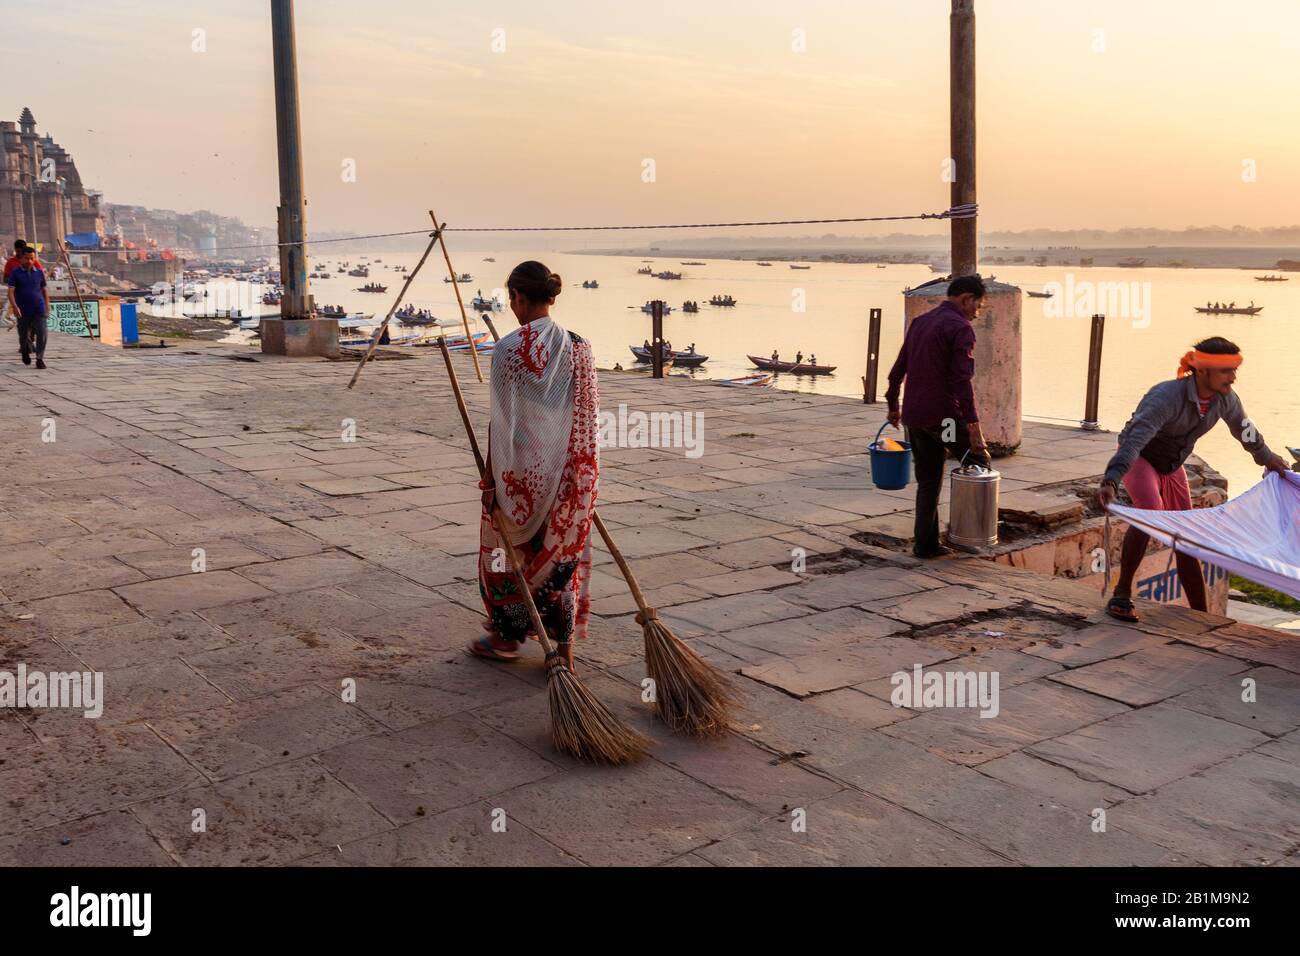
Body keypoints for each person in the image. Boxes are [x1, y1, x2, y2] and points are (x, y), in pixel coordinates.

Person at [1096, 337, 1287, 621]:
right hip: (1141, 457)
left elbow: (1245, 430)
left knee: (1185, 532)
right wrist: (1112, 479)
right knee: (1150, 509)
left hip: (1173, 465)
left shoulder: (1226, 400)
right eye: (1225, 370)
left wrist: (1268, 459)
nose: (1233, 378)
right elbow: (1134, 441)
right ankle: (1121, 595)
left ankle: (1202, 614)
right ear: (1201, 370)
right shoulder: (1165, 397)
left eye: (1235, 370)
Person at [468, 261, 599, 671]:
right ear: (552, 297)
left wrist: (491, 481)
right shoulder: (581, 346)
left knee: (506, 555)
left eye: (513, 299)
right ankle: (563, 653)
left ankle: (506, 638)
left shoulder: (508, 349)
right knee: (560, 559)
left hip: (520, 475)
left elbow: (502, 423)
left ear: (518, 298)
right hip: (568, 474)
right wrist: (580, 474)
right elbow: (586, 417)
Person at [885, 274, 991, 558]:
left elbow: (898, 368)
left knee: (929, 480)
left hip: (914, 415)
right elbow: (961, 382)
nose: (977, 313)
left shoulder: (921, 322)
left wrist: (893, 404)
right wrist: (973, 426)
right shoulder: (960, 328)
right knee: (979, 463)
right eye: (978, 306)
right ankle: (974, 535)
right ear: (967, 299)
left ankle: (926, 545)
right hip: (943, 418)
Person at [7, 247, 49, 368]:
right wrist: (15, 307)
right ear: (21, 258)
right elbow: (10, 292)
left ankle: (39, 358)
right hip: (23, 309)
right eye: (27, 258)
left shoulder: (39, 272)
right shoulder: (15, 273)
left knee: (42, 332)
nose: (30, 261)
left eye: (32, 258)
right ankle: (25, 351)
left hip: (39, 308)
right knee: (23, 334)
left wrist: (47, 305)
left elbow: (44, 290)